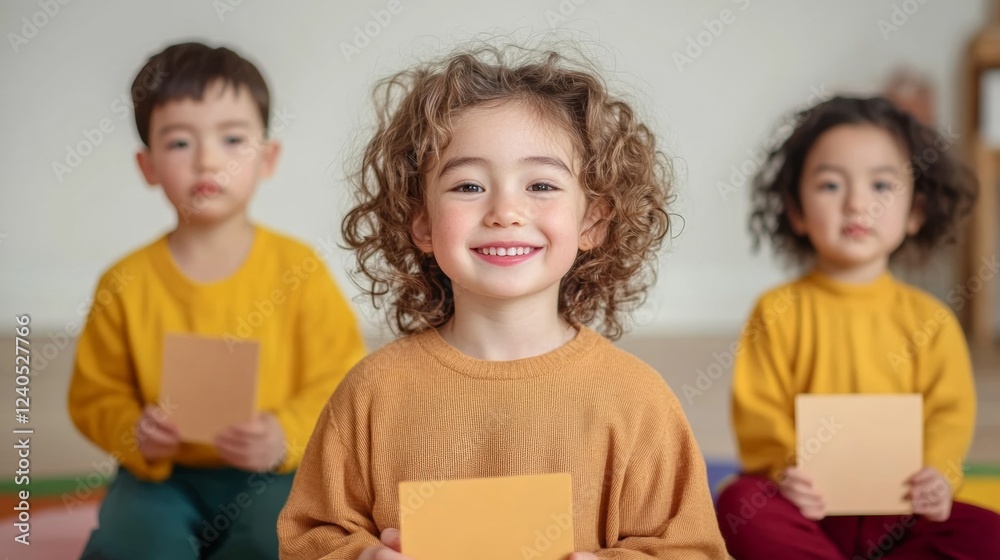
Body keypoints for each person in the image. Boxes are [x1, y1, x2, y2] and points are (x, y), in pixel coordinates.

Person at [276, 43, 728, 559]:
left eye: (541, 184)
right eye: (468, 186)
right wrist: (363, 556)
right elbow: (309, 535)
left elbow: (692, 548)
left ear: (592, 220)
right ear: (421, 222)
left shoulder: (637, 399)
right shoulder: (371, 393)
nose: (505, 211)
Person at [68, 41, 367, 560]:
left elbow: (341, 380)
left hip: (274, 471)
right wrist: (134, 432)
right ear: (148, 165)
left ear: (267, 158)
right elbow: (95, 393)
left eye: (232, 139)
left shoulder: (298, 270)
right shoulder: (124, 282)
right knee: (130, 545)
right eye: (180, 142)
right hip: (163, 477)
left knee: (284, 540)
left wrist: (285, 435)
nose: (207, 160)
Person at [716, 95, 1000, 559]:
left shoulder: (931, 320)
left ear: (916, 212)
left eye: (881, 185)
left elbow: (949, 415)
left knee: (989, 533)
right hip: (807, 507)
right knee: (737, 505)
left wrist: (938, 474)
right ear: (796, 211)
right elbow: (759, 411)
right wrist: (786, 469)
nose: (856, 204)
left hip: (901, 510)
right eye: (830, 185)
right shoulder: (777, 310)